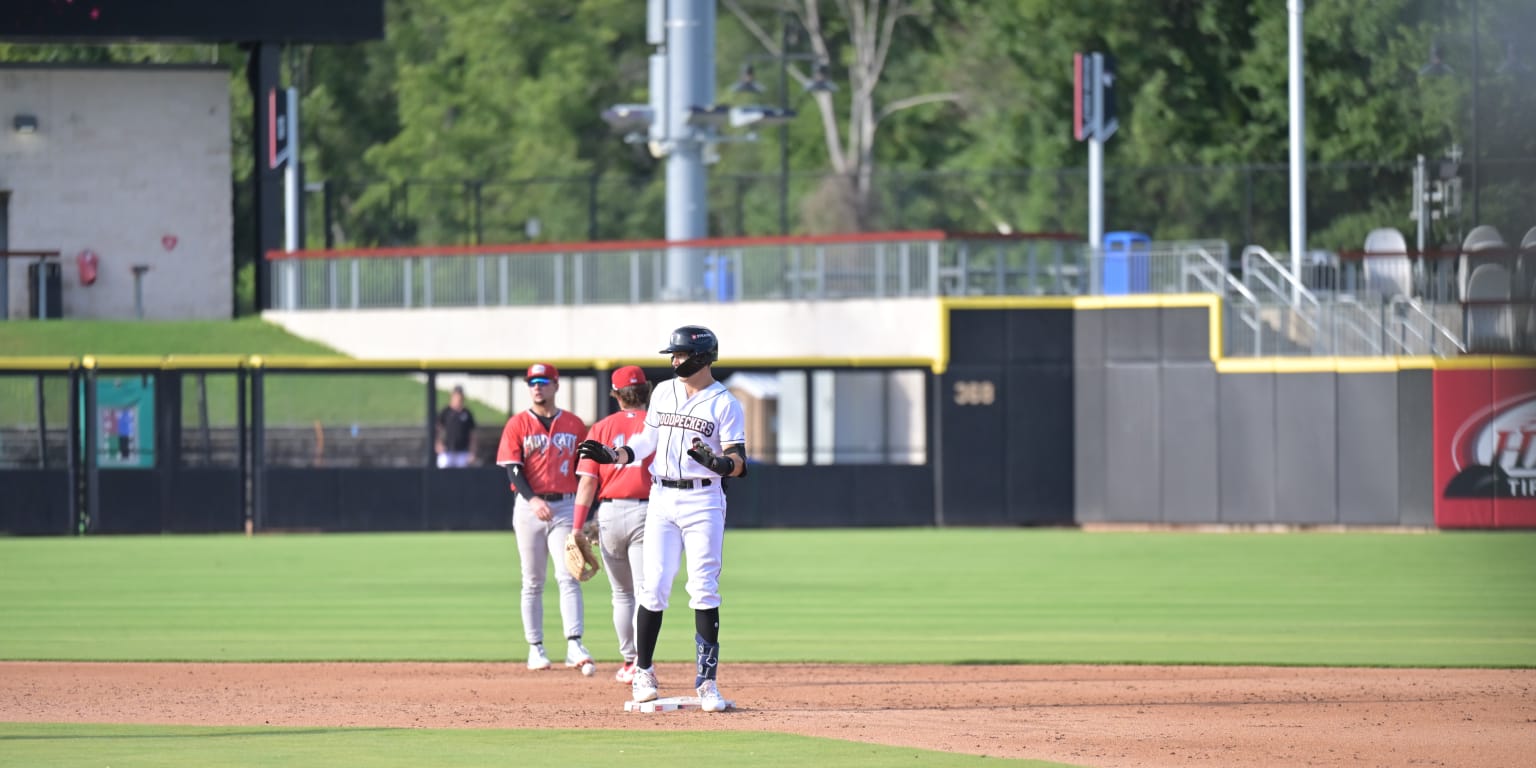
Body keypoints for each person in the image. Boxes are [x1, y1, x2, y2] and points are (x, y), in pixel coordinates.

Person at [578, 325, 747, 713]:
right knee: (652, 586)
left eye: (680, 355)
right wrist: (616, 455)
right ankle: (644, 672)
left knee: (703, 586)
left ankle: (707, 682)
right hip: (661, 497)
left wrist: (720, 463)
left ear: (702, 357)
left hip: (704, 498)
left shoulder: (724, 402)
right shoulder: (665, 392)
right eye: (673, 354)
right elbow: (647, 441)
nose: (674, 361)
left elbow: (740, 462)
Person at [496, 363, 594, 673]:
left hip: (564, 506)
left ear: (555, 385)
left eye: (542, 381)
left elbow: (588, 470)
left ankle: (574, 644)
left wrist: (584, 511)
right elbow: (513, 467)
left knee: (568, 575)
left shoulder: (575, 424)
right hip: (528, 508)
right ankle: (535, 648)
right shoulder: (517, 424)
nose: (536, 387)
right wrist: (533, 498)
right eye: (532, 382)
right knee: (533, 580)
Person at [573, 365, 655, 685]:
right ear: (646, 391)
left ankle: (630, 660)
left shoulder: (602, 428)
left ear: (617, 395)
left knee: (622, 594)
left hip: (609, 513)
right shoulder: (657, 424)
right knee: (646, 593)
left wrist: (577, 527)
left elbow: (587, 484)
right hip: (648, 512)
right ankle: (642, 665)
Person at [435, 385, 478, 468]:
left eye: (460, 396)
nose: (459, 398)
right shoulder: (445, 411)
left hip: (462, 452)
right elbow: (437, 428)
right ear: (452, 396)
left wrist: (473, 451)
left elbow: (472, 434)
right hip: (446, 451)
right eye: (457, 395)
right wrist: (438, 443)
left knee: (461, 477)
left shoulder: (467, 413)